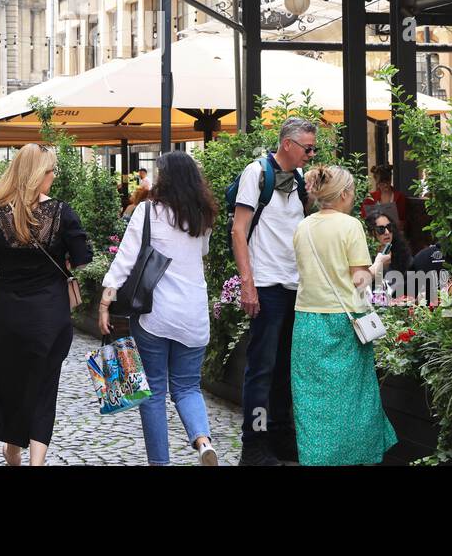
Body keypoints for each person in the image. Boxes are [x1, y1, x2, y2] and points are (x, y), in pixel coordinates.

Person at [0, 144, 92, 465]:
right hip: (49, 316)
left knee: (10, 382)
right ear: (38, 175)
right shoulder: (63, 214)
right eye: (50, 171)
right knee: (44, 388)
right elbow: (82, 258)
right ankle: (36, 461)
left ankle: (12, 448)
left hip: (6, 314)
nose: (53, 177)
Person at [98, 151, 219, 466]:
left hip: (156, 315)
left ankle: (160, 463)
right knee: (188, 387)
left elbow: (126, 258)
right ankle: (203, 442)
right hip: (193, 316)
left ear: (164, 178)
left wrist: (106, 298)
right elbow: (201, 252)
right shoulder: (204, 216)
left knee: (152, 392)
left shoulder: (148, 212)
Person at [291, 164, 397, 465]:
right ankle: (353, 457)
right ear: (345, 193)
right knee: (353, 398)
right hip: (345, 321)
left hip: (307, 320)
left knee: (313, 399)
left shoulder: (303, 226)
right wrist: (379, 264)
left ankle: (316, 458)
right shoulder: (349, 226)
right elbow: (360, 280)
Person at [232, 116, 317, 466]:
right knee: (261, 370)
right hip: (266, 286)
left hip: (293, 286)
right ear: (287, 144)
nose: (311, 154)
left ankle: (281, 438)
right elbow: (239, 231)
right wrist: (247, 284)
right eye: (307, 148)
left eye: (313, 148)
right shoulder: (257, 173)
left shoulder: (297, 180)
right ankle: (254, 443)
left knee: (284, 368)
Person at [365, 204, 411, 296]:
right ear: (370, 233)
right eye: (381, 229)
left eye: (389, 227)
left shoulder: (402, 253)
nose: (387, 232)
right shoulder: (365, 256)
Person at [361, 164, 408, 233]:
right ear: (377, 182)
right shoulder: (370, 198)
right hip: (377, 234)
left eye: (388, 181)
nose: (385, 185)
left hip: (395, 234)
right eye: (382, 183)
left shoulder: (400, 197)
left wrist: (401, 224)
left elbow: (404, 220)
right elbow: (364, 219)